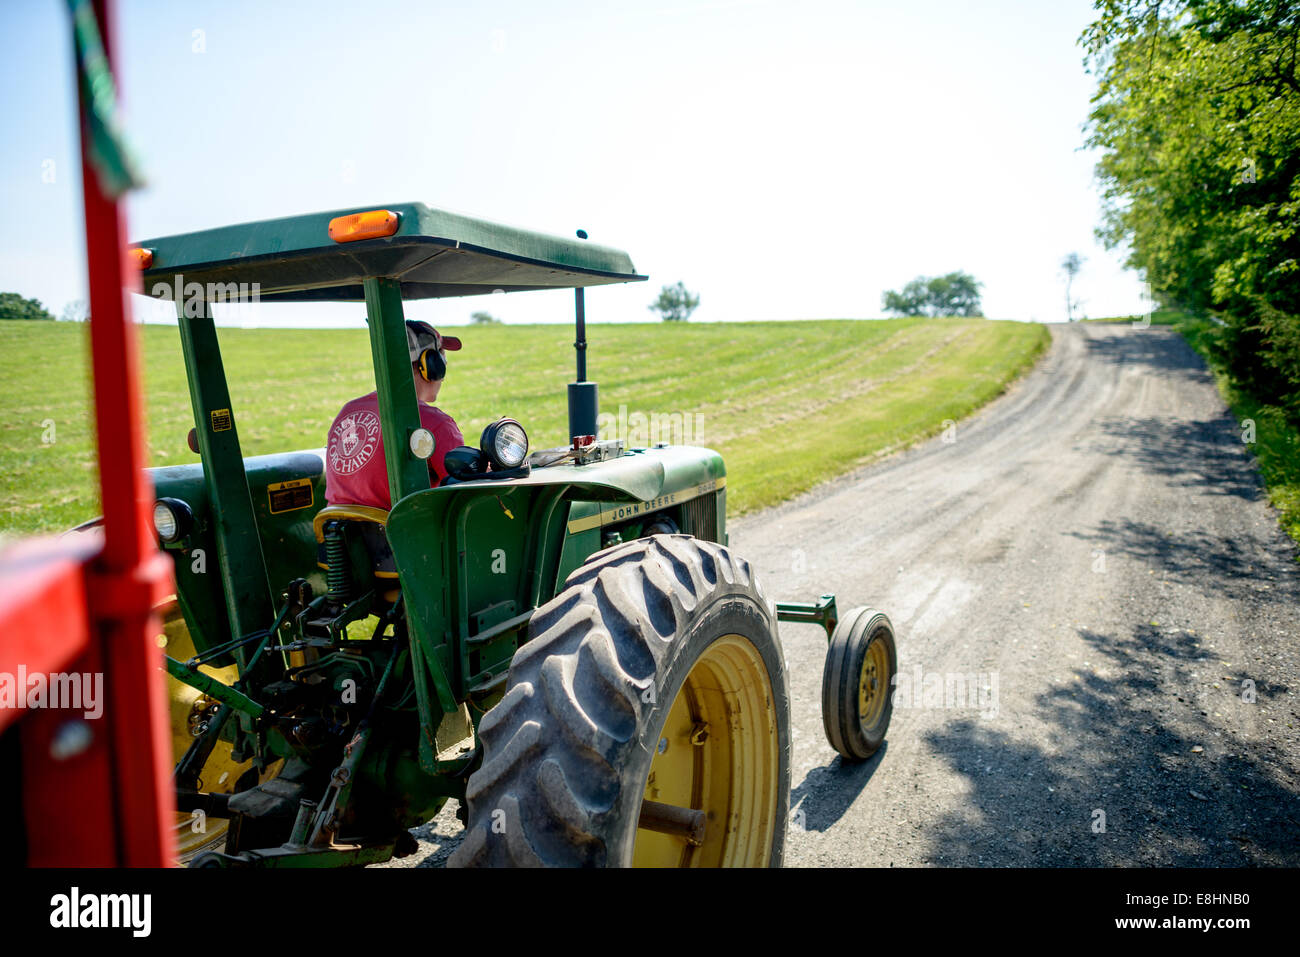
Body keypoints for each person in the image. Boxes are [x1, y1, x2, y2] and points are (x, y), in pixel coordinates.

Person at [324, 320, 465, 509]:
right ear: (432, 365)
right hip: (397, 535)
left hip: (342, 533)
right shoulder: (435, 423)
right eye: (443, 358)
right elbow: (465, 490)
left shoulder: (347, 412)